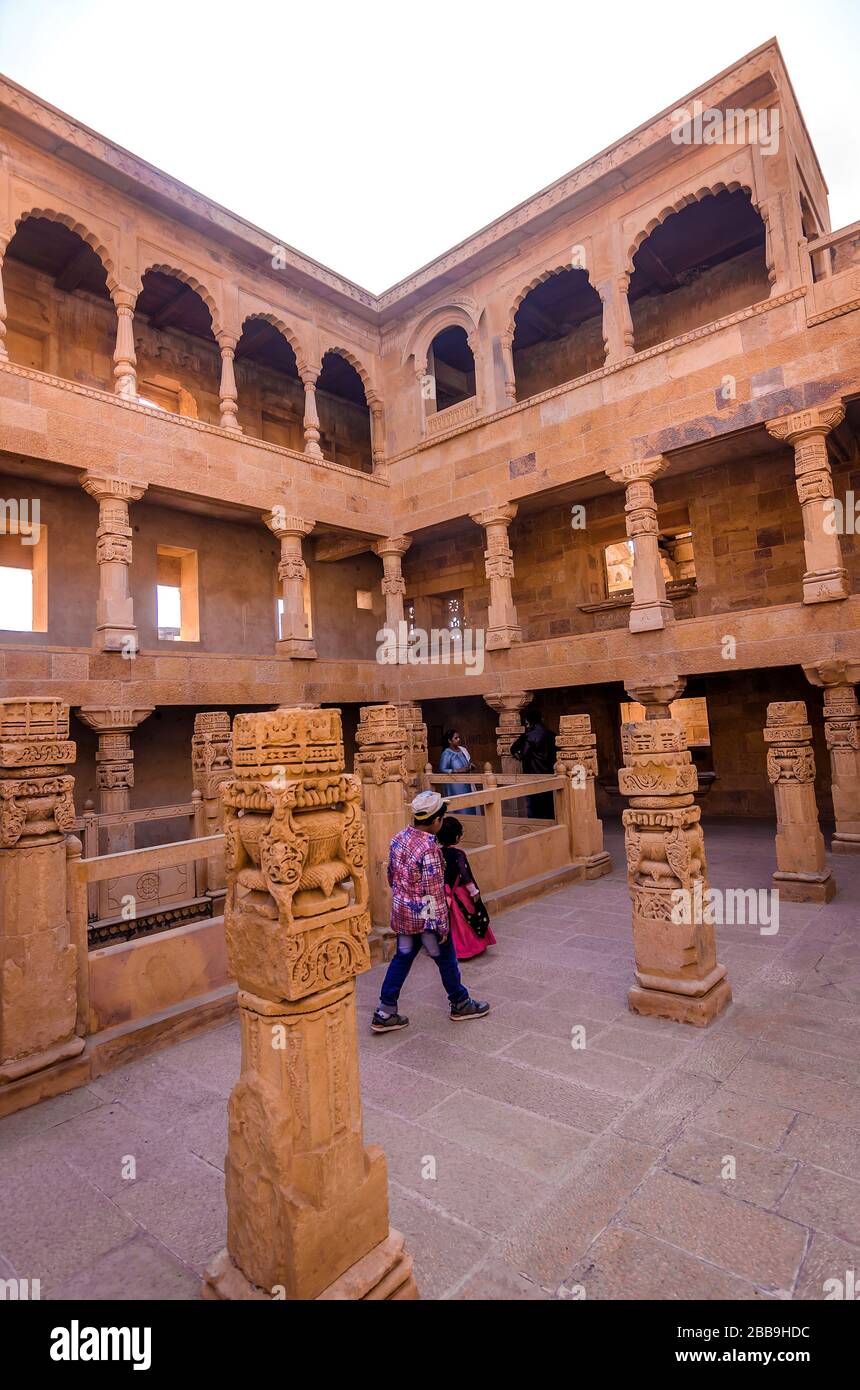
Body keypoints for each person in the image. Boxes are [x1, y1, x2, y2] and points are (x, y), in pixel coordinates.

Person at [371, 791, 490, 1033]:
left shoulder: (398, 838)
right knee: (446, 959)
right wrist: (441, 926)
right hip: (426, 921)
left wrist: (404, 901)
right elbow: (433, 891)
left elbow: (391, 876)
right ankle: (460, 1003)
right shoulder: (430, 849)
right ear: (436, 821)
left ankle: (385, 1011)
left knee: (402, 958)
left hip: (403, 915)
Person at [436, 815, 497, 960]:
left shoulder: (437, 852)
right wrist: (474, 892)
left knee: (451, 922)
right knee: (464, 921)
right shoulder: (458, 854)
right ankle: (467, 949)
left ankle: (449, 948)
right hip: (459, 893)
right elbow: (465, 875)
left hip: (443, 892)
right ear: (457, 837)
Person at [510, 707, 557, 818]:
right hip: (550, 774)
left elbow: (524, 755)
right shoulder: (551, 734)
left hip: (534, 774)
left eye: (526, 723)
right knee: (549, 804)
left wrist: (518, 755)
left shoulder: (529, 736)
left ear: (529, 721)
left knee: (535, 806)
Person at [438, 728, 477, 813]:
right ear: (449, 740)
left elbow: (466, 763)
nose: (458, 739)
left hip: (466, 783)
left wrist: (470, 767)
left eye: (459, 737)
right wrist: (456, 770)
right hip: (455, 785)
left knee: (469, 805)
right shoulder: (446, 753)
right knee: (460, 808)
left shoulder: (461, 750)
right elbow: (442, 769)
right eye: (456, 738)